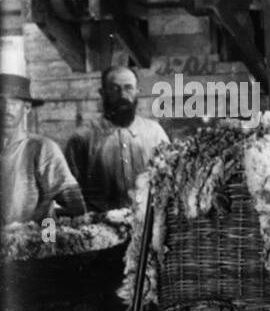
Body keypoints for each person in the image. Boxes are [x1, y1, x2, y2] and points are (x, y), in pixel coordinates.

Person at [64, 66, 169, 212]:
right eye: (114, 89)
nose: (122, 95)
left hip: (147, 224)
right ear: (103, 93)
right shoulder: (82, 138)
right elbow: (71, 194)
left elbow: (169, 181)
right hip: (102, 227)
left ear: (138, 92)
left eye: (128, 88)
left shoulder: (155, 133)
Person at [1, 73, 86, 224]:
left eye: (14, 102)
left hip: (34, 242)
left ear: (26, 108)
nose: (6, 108)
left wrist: (47, 240)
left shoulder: (42, 149)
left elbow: (75, 207)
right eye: (0, 100)